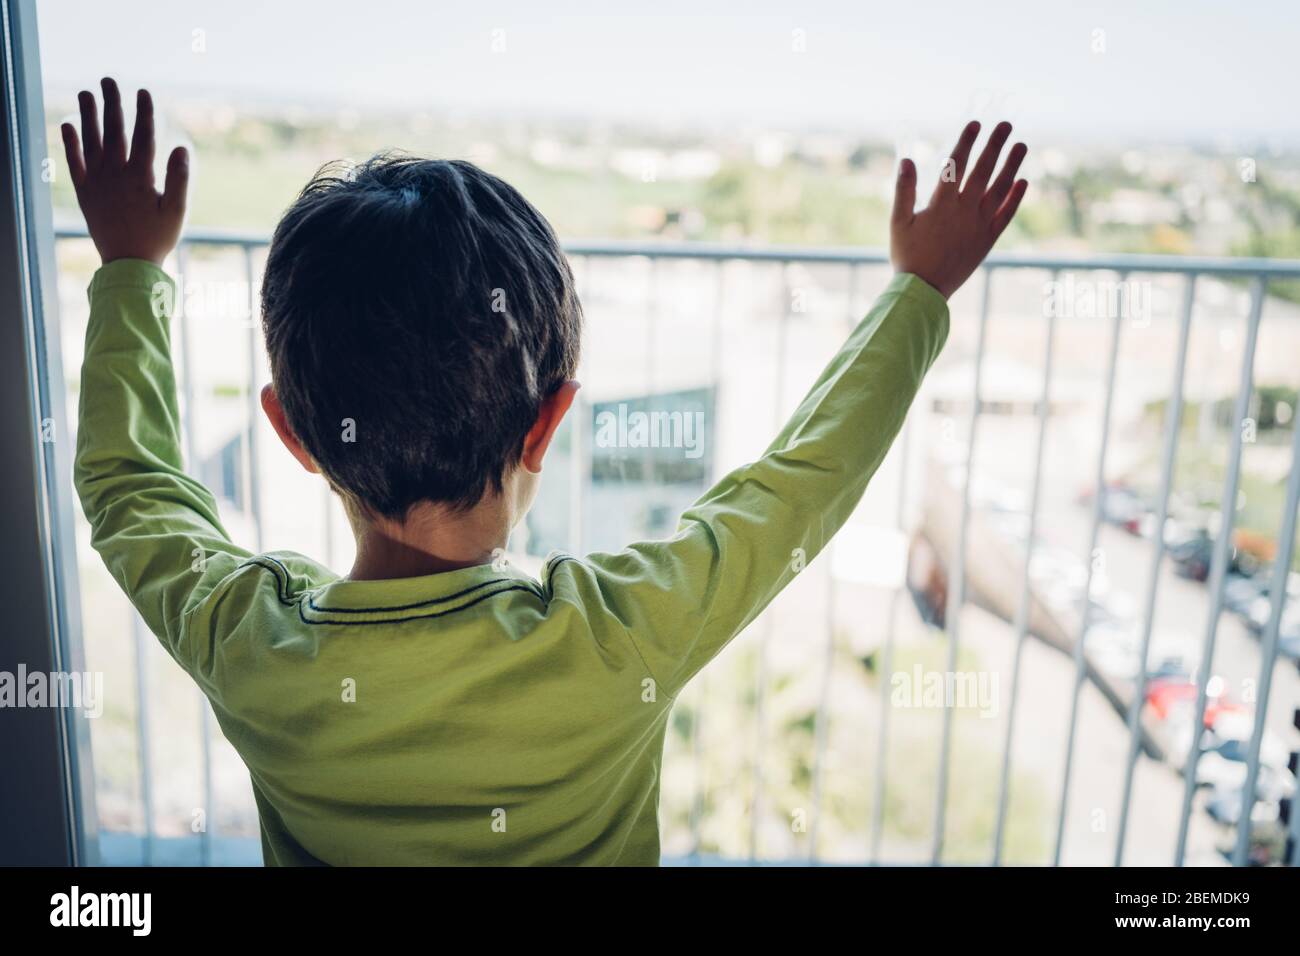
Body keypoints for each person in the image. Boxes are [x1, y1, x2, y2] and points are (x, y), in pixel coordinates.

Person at [63, 77, 1027, 865]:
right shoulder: (620, 640)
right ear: (552, 423)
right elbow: (801, 486)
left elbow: (127, 488)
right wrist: (918, 293)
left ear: (292, 435)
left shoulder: (250, 647)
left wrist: (130, 268)